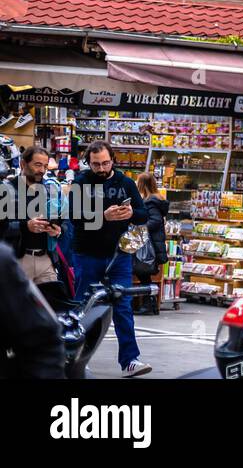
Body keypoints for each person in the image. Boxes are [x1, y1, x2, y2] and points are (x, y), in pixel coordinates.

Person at [69, 141, 151, 377]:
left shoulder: (125, 183)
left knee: (123, 306)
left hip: (119, 255)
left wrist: (132, 213)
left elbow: (144, 214)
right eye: (96, 164)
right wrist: (102, 216)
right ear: (89, 163)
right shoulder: (81, 182)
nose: (101, 168)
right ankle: (76, 358)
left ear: (112, 159)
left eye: (105, 162)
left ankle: (130, 360)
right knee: (82, 308)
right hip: (87, 253)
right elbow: (74, 216)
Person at [1, 145, 66, 286]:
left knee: (51, 305)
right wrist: (26, 226)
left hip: (47, 260)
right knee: (16, 307)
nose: (42, 170)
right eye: (37, 165)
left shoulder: (51, 190)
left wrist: (58, 231)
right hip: (17, 260)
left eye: (45, 166)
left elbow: (65, 221)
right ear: (23, 163)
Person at [0, 240, 64, 378]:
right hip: (22, 258)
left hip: (44, 259)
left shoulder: (2, 261)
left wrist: (56, 231)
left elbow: (42, 338)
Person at [133, 173, 169, 314]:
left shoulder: (150, 202)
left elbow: (155, 220)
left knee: (142, 271)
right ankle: (150, 303)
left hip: (150, 244)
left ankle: (148, 303)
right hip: (153, 243)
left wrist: (139, 228)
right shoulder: (154, 200)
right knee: (143, 273)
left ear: (142, 184)